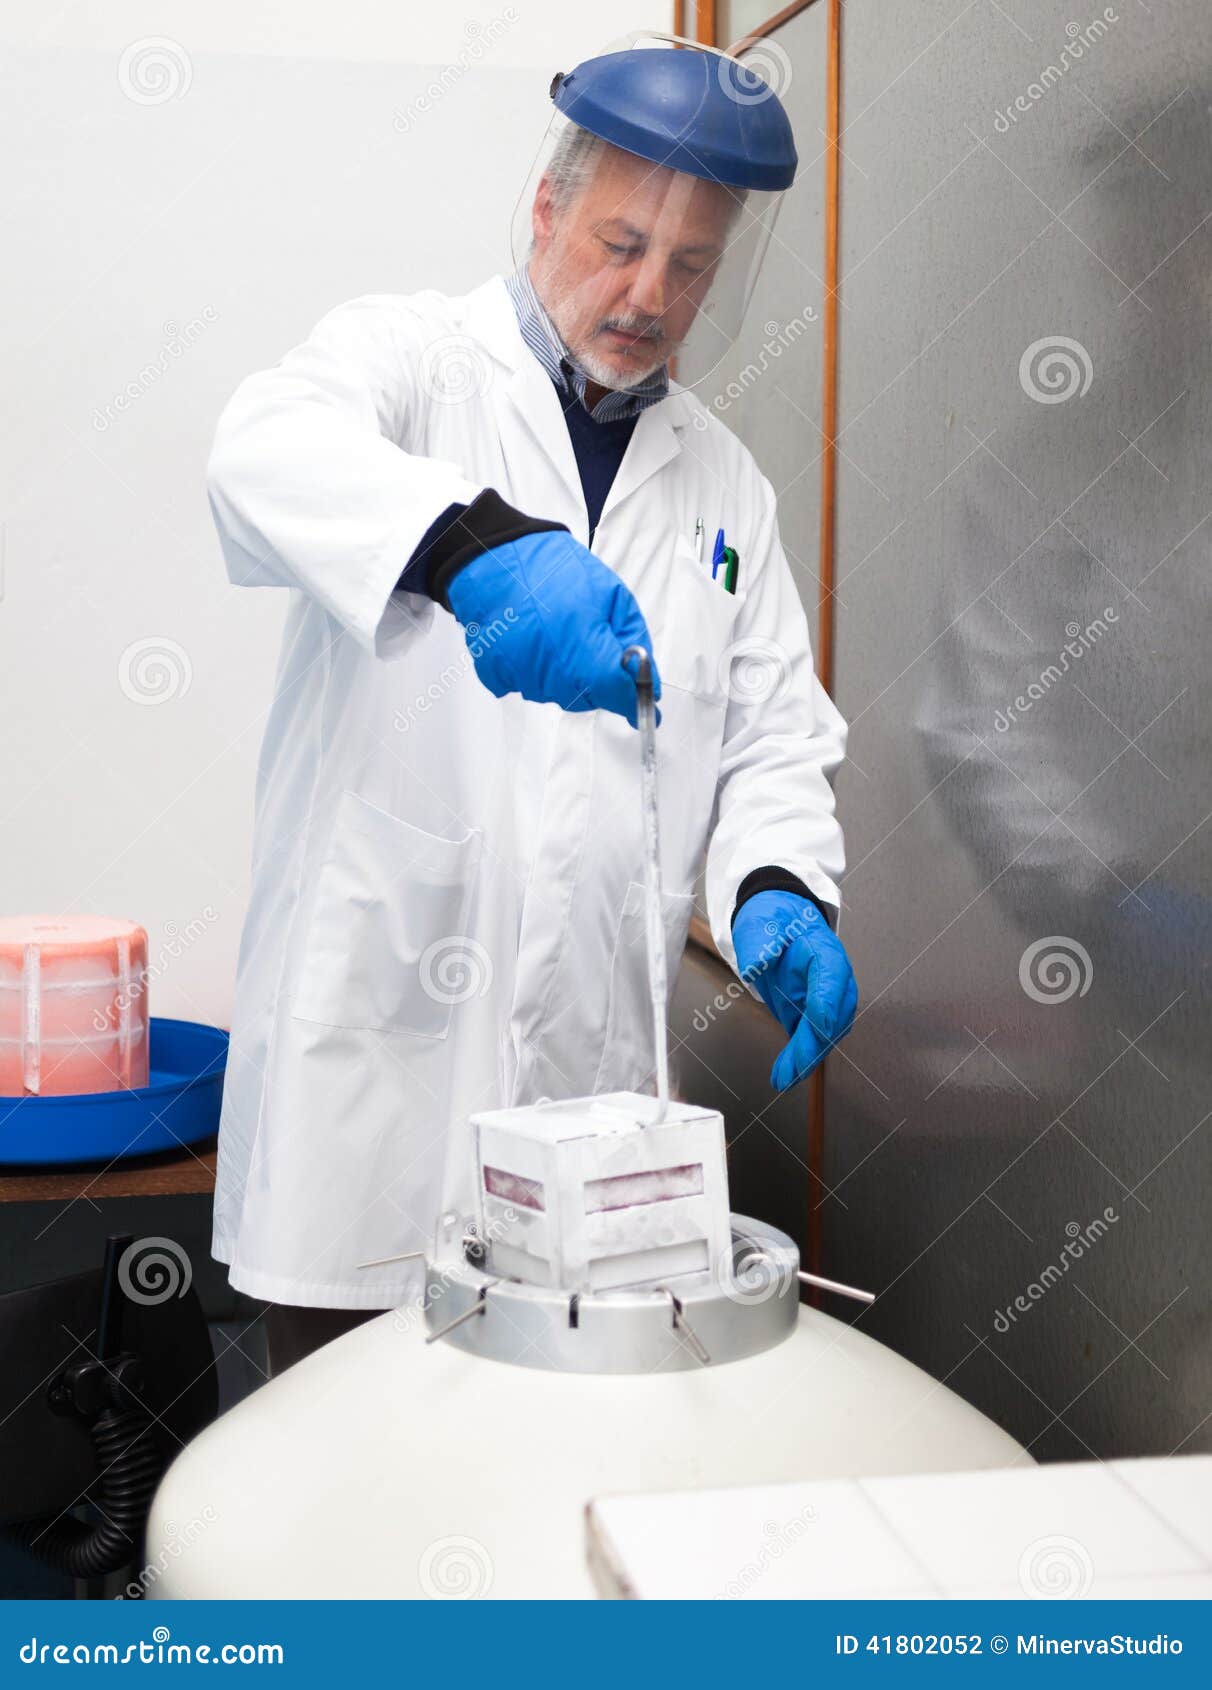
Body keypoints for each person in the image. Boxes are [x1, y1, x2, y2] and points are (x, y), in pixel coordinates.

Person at [205, 34, 858, 1374]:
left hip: (593, 1106)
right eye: (621, 243)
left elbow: (771, 731)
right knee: (347, 1496)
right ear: (550, 207)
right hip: (379, 1079)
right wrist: (465, 548)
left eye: (688, 267)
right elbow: (257, 452)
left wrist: (777, 883)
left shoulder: (724, 486)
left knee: (552, 1483)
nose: (646, 294)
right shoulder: (415, 363)